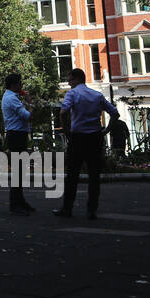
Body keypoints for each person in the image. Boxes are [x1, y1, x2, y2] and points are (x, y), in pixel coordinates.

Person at [54, 69, 118, 220]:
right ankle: (91, 210)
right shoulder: (97, 95)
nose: (69, 83)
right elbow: (115, 113)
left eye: (70, 79)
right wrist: (106, 130)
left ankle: (67, 208)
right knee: (94, 175)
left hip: (78, 137)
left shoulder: (73, 93)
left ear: (76, 79)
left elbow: (63, 112)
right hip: (95, 137)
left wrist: (67, 131)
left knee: (72, 175)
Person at [1, 73, 37, 215]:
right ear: (14, 85)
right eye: (20, 83)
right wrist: (30, 103)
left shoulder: (10, 97)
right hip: (16, 135)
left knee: (20, 170)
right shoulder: (12, 99)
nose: (21, 86)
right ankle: (15, 203)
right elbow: (27, 116)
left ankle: (20, 201)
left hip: (16, 134)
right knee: (18, 170)